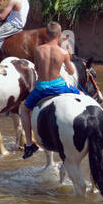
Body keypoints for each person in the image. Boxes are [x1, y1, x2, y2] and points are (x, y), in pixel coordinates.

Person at [16, 23, 82, 158]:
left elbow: (37, 68)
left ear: (46, 34)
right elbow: (70, 71)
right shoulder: (63, 52)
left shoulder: (38, 50)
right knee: (81, 94)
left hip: (41, 87)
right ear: (59, 35)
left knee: (24, 110)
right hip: (59, 86)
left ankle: (29, 144)